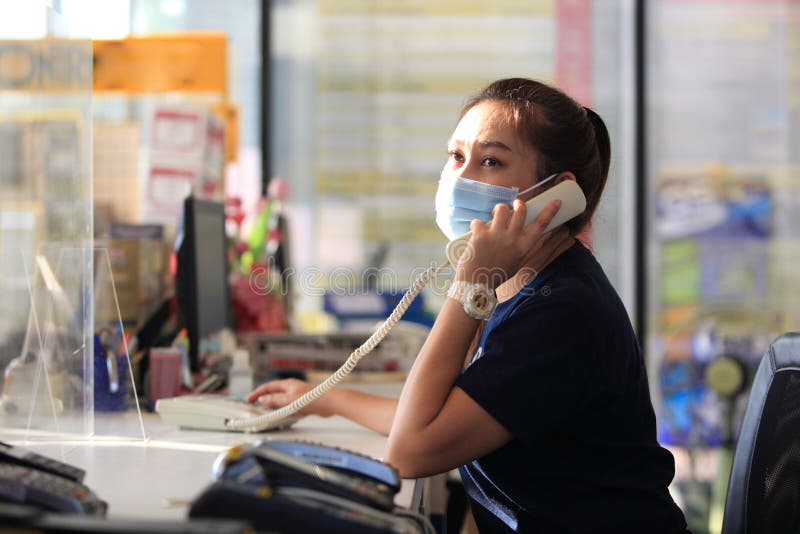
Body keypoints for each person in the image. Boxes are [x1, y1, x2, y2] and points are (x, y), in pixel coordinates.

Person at [248, 78, 688, 533]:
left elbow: (410, 451)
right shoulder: (522, 284)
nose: (460, 178)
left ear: (555, 196)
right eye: (457, 157)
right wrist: (325, 399)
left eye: (491, 161)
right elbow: (440, 415)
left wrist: (470, 285)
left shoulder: (560, 313)